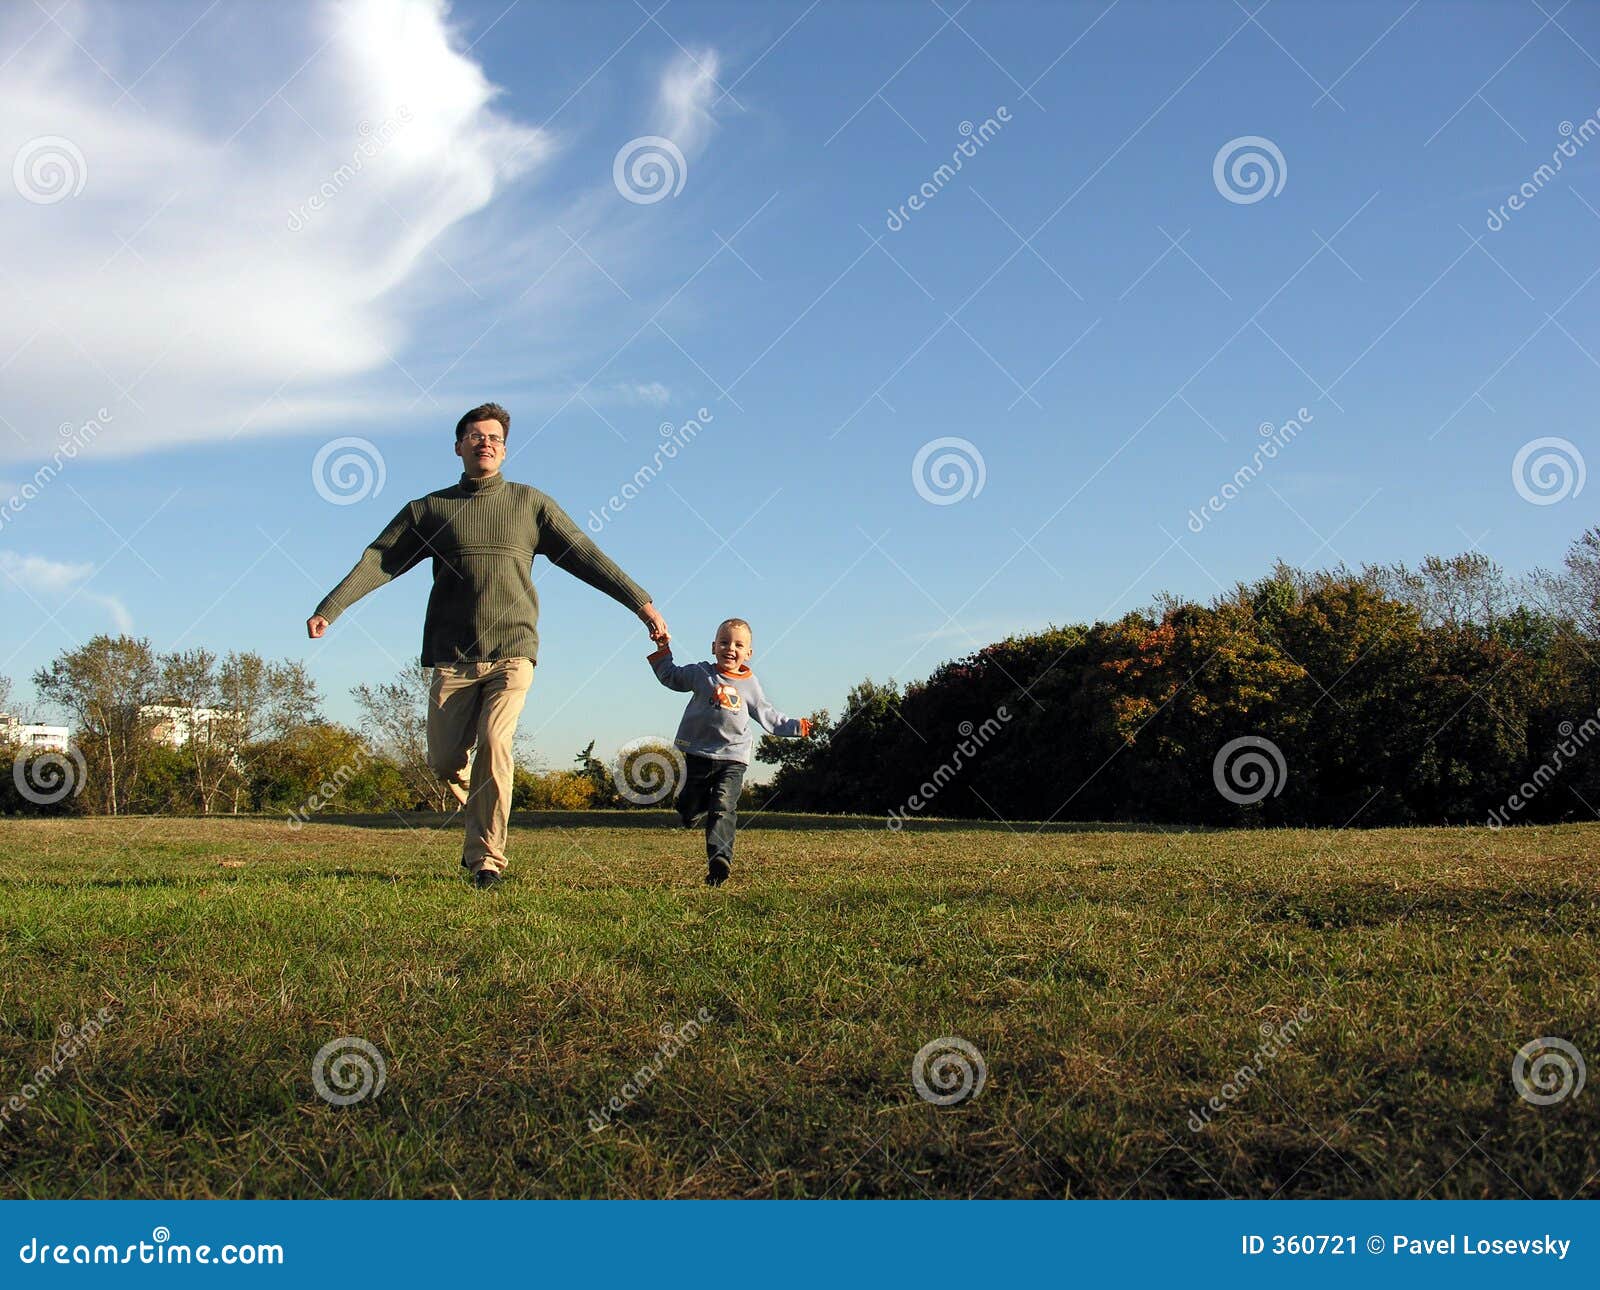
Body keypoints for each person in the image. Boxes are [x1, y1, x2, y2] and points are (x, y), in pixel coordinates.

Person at [307, 402, 668, 890]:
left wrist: (640, 603)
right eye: (476, 436)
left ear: (505, 448)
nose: (486, 443)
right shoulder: (430, 509)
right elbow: (381, 560)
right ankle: (480, 813)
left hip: (513, 653)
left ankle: (486, 859)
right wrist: (332, 606)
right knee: (443, 761)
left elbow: (585, 555)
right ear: (459, 446)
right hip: (453, 659)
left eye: (495, 437)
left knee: (496, 744)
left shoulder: (530, 505)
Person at [648, 617, 811, 886]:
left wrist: (796, 726)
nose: (730, 648)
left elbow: (767, 714)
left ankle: (720, 861)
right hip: (697, 753)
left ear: (749, 653)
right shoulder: (701, 673)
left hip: (733, 758)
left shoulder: (750, 684)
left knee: (723, 807)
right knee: (689, 803)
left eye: (738, 644)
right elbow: (671, 676)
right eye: (724, 642)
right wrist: (663, 650)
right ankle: (690, 810)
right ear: (713, 646)